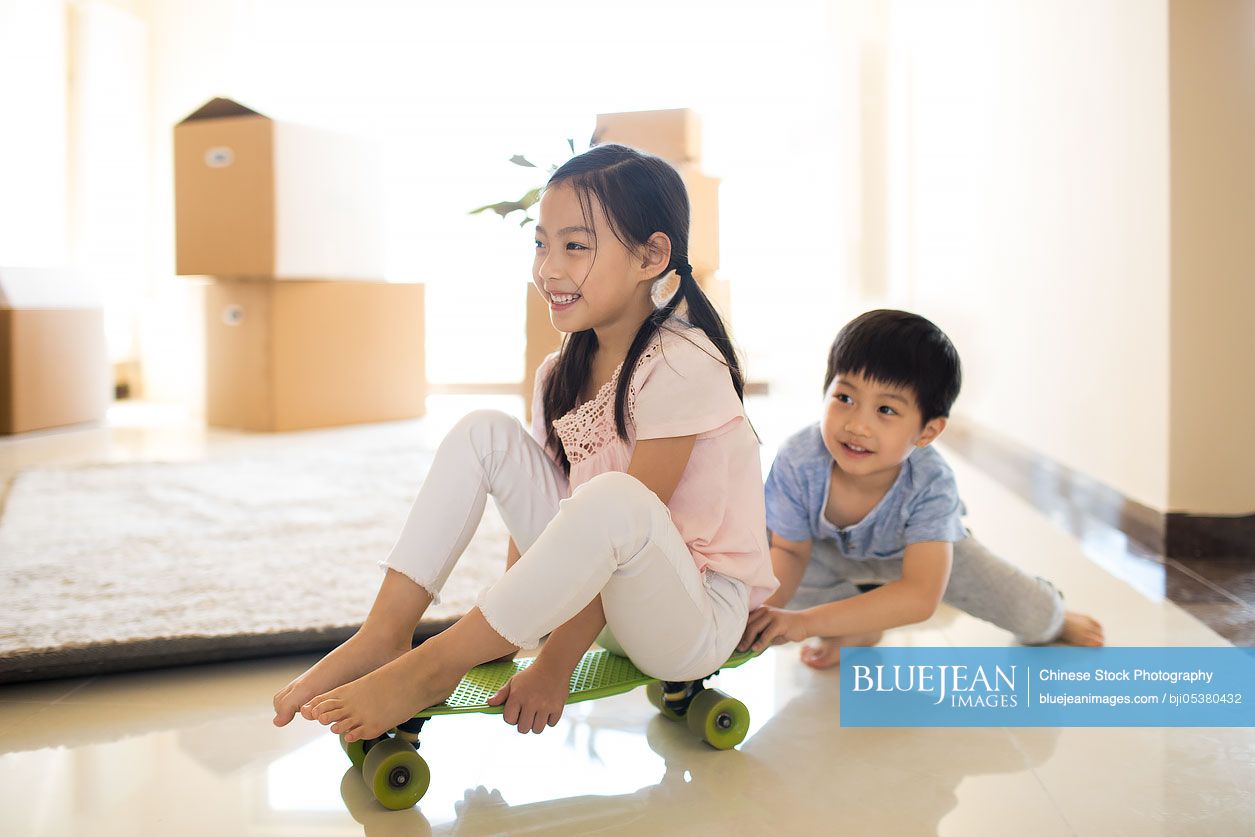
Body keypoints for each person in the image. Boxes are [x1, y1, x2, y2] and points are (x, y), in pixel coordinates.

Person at [272, 143, 777, 741]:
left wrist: (554, 664)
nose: (548, 269)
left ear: (651, 256)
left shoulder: (682, 361)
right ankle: (384, 633)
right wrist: (513, 631)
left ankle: (432, 666)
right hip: (605, 601)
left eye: (575, 246)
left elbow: (625, 523)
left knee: (617, 498)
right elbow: (553, 513)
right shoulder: (559, 373)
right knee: (483, 431)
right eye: (541, 244)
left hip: (689, 619)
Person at [738, 309, 1103, 669]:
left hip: (924, 554)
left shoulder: (931, 482)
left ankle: (1055, 613)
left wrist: (804, 624)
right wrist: (760, 617)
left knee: (1033, 616)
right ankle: (858, 627)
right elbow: (790, 552)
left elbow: (920, 595)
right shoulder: (799, 459)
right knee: (775, 577)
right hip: (827, 551)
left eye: (885, 410)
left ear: (927, 432)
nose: (857, 425)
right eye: (845, 398)